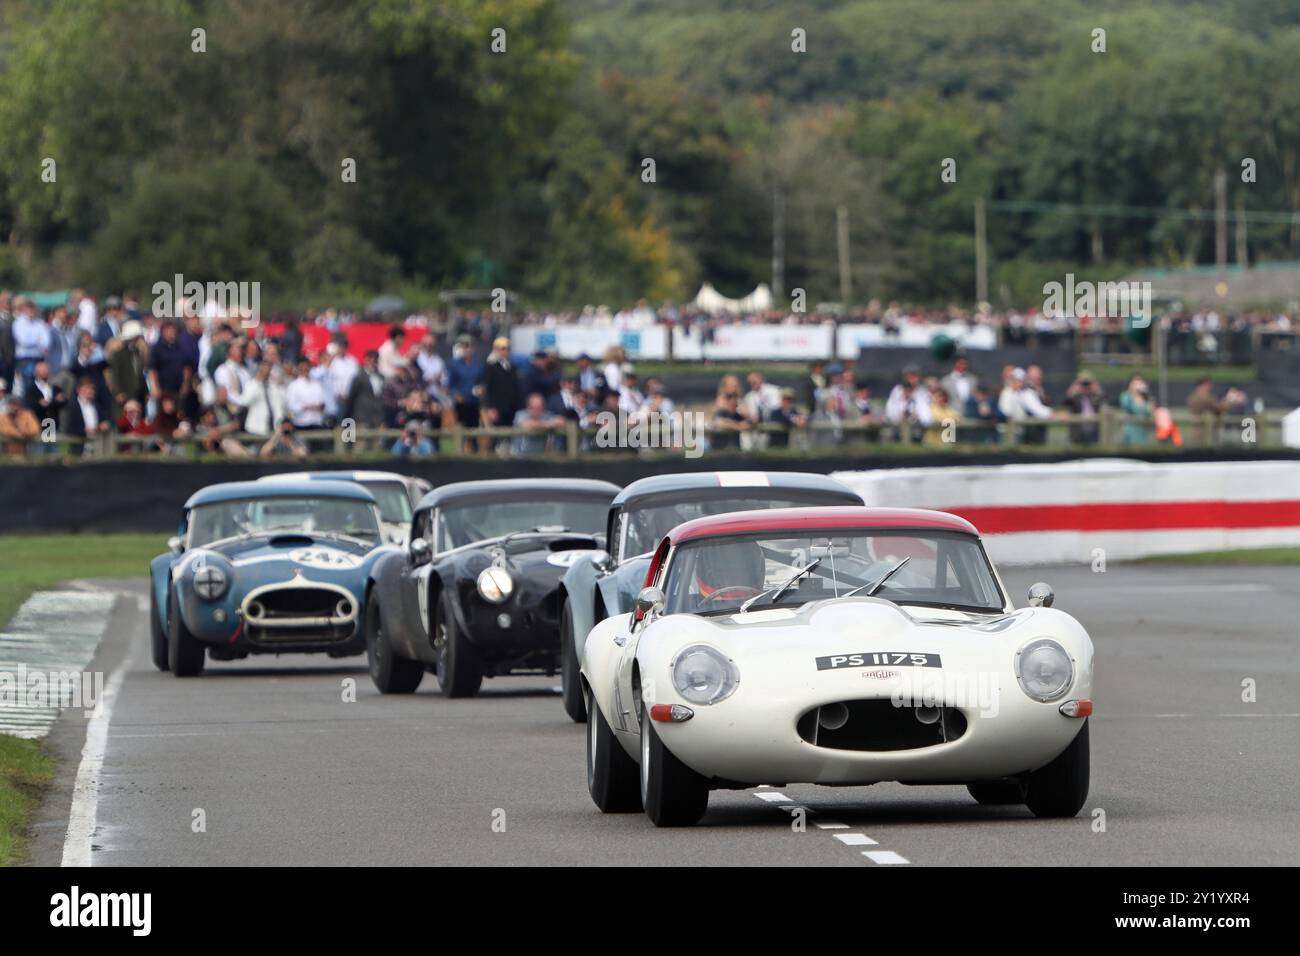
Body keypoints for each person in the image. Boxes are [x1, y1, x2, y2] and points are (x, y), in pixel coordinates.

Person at [342, 350, 386, 429]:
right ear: (365, 360)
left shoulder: (381, 377)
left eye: (375, 360)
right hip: (362, 417)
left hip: (377, 417)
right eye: (370, 359)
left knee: (376, 440)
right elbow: (352, 397)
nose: (372, 362)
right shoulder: (359, 377)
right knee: (362, 440)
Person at [1063, 371, 1105, 445]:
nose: (1085, 386)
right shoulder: (1075, 398)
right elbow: (1066, 402)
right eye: (1083, 384)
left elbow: (1105, 400)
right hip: (1078, 433)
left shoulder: (1095, 397)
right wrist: (1073, 389)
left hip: (1094, 433)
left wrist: (1097, 389)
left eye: (1088, 384)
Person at [286, 360, 327, 429]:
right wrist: (306, 407)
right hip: (301, 423)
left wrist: (320, 406)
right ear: (298, 370)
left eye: (307, 368)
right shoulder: (293, 386)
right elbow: (291, 406)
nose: (305, 370)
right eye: (302, 368)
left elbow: (323, 402)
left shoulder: (317, 384)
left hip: (317, 422)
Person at [1118, 375, 1154, 445]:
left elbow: (1151, 411)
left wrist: (1147, 394)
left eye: (1140, 383)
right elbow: (1133, 408)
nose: (1138, 385)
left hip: (1143, 430)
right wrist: (1135, 394)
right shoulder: (1126, 396)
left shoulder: (1145, 397)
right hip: (1130, 429)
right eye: (1135, 383)